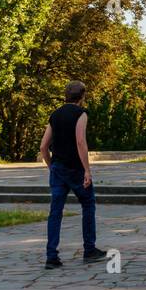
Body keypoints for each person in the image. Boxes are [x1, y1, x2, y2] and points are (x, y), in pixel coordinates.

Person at [40, 80, 107, 269]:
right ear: (82, 96)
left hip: (59, 169)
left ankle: (51, 256)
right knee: (88, 204)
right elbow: (80, 142)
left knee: (55, 212)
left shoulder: (55, 115)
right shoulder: (81, 114)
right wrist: (87, 170)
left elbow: (44, 146)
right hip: (75, 169)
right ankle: (89, 249)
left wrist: (51, 166)